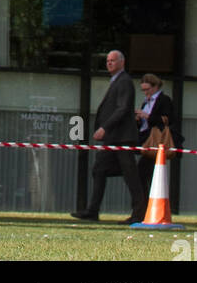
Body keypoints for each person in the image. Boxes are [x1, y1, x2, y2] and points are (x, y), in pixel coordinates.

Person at [71, 49, 145, 223]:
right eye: (107, 61)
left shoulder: (124, 81)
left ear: (122, 62)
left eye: (113, 60)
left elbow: (123, 108)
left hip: (122, 137)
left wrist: (105, 127)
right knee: (100, 170)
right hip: (113, 138)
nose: (109, 63)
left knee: (131, 176)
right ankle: (92, 210)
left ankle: (139, 213)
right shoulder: (116, 81)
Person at [135, 73, 182, 199]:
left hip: (156, 142)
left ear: (155, 87)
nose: (146, 93)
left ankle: (146, 206)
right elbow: (143, 125)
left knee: (143, 174)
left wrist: (147, 116)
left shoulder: (164, 100)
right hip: (145, 140)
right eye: (143, 90)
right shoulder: (146, 102)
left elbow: (167, 120)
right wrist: (139, 119)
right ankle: (145, 206)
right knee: (144, 175)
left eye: (147, 89)